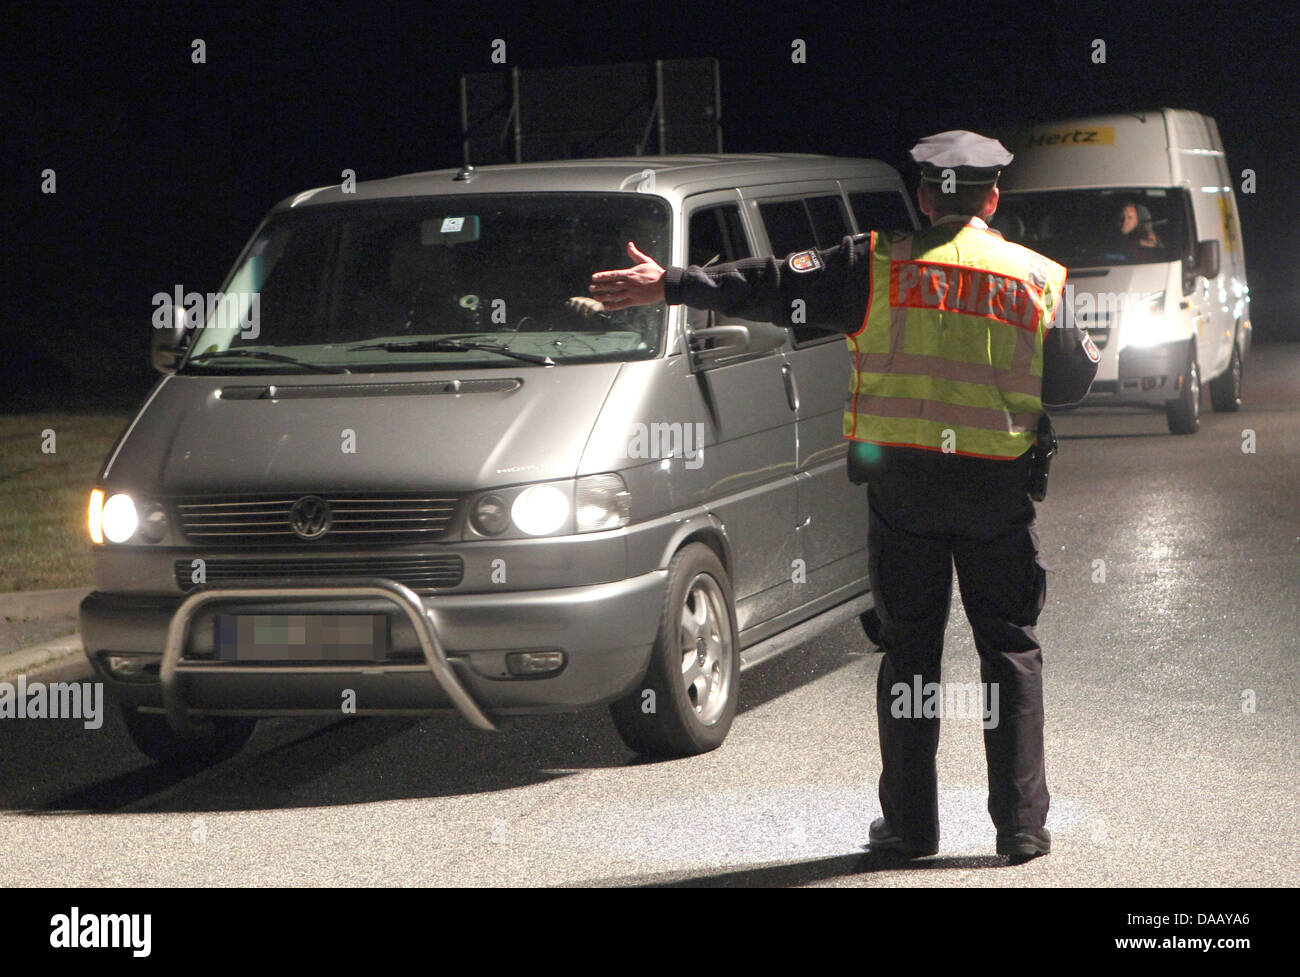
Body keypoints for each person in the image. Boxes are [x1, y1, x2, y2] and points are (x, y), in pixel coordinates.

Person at [589, 131, 1100, 863]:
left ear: (924, 197)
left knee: (910, 655)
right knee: (1011, 650)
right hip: (995, 493)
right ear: (992, 197)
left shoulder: (873, 265)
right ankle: (1020, 825)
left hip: (904, 496)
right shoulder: (1038, 278)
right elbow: (1068, 386)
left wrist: (670, 282)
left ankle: (911, 828)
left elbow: (764, 281)